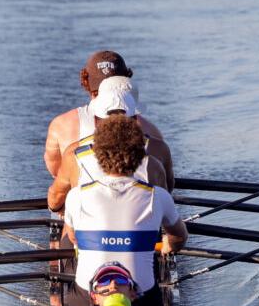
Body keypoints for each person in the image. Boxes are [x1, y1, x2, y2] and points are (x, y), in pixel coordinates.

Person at [60, 114, 187, 306]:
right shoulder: (158, 196)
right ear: (140, 155)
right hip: (141, 298)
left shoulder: (76, 196)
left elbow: (73, 237)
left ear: (98, 154)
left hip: (88, 297)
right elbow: (180, 237)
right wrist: (169, 245)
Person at [44, 51, 174, 206]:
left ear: (86, 82)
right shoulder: (153, 135)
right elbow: (166, 190)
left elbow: (56, 177)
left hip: (81, 214)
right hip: (139, 215)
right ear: (127, 82)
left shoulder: (60, 126)